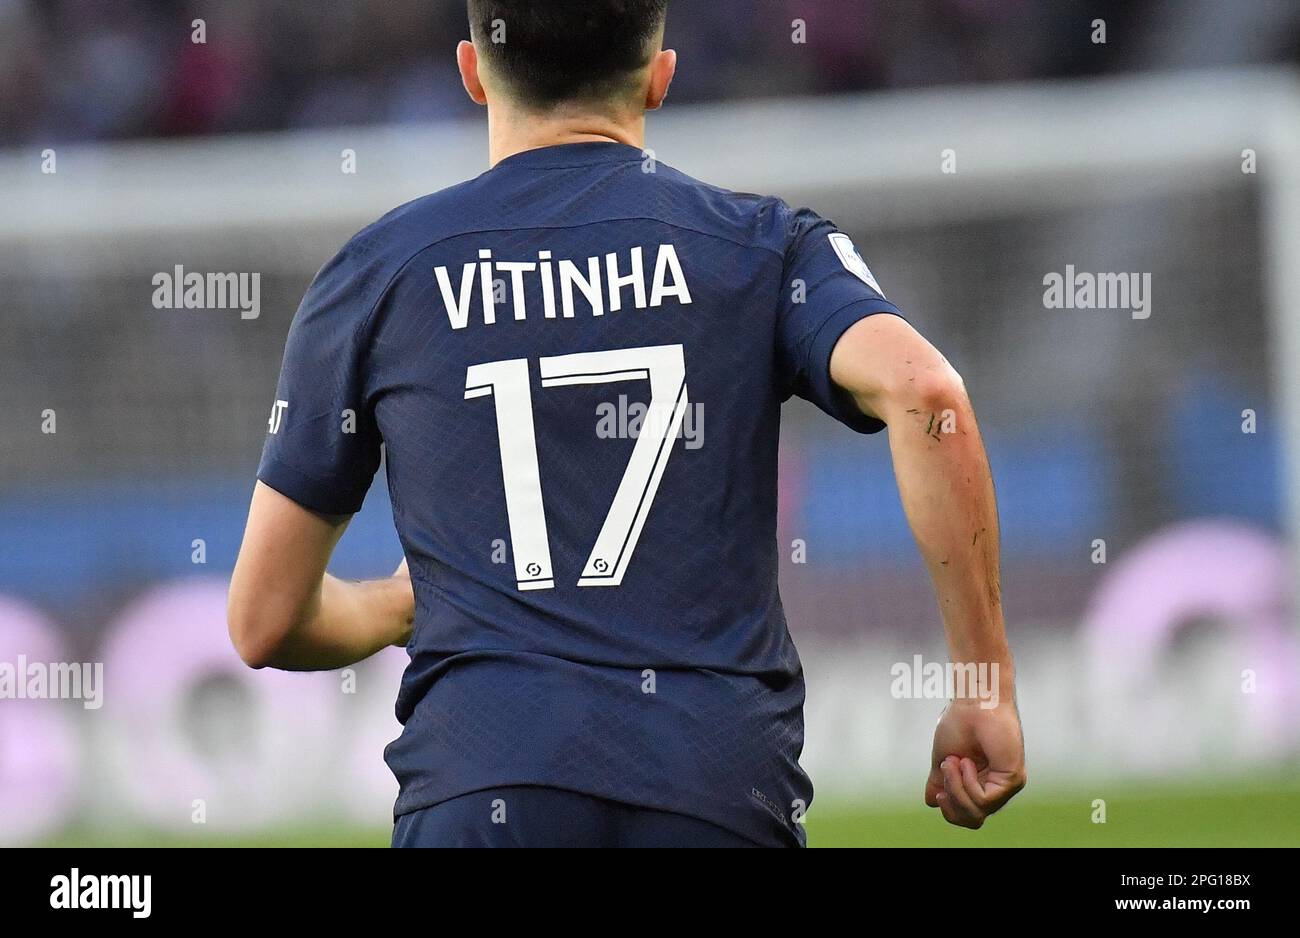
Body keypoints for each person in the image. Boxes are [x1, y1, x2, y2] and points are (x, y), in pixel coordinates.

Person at [228, 0, 1024, 847]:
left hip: (480, 782)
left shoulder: (377, 274)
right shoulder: (764, 246)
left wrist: (397, 605)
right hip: (714, 785)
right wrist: (984, 687)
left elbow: (263, 621)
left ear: (471, 71)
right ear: (659, 77)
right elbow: (928, 394)